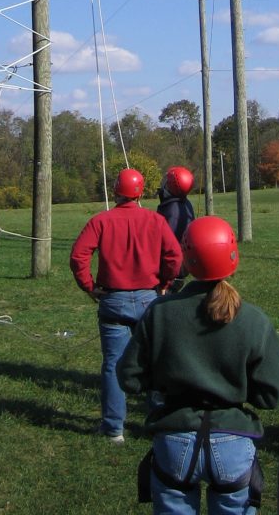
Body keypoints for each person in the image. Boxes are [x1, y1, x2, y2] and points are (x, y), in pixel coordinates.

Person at [117, 215, 279, 514]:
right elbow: (272, 396)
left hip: (173, 440)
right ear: (233, 255)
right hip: (234, 442)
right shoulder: (254, 320)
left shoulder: (159, 313)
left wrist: (160, 381)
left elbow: (128, 377)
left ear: (187, 257)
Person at [69, 168, 182, 444]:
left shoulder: (101, 221)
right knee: (154, 363)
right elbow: (175, 255)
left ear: (115, 191)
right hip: (148, 298)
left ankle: (113, 429)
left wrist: (89, 286)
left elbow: (78, 256)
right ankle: (157, 424)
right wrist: (166, 282)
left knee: (113, 365)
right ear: (141, 192)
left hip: (113, 300)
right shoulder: (155, 220)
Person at [157, 166, 196, 290]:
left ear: (171, 186)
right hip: (178, 268)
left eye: (166, 181)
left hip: (172, 271)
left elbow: (167, 244)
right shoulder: (182, 203)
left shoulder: (172, 211)